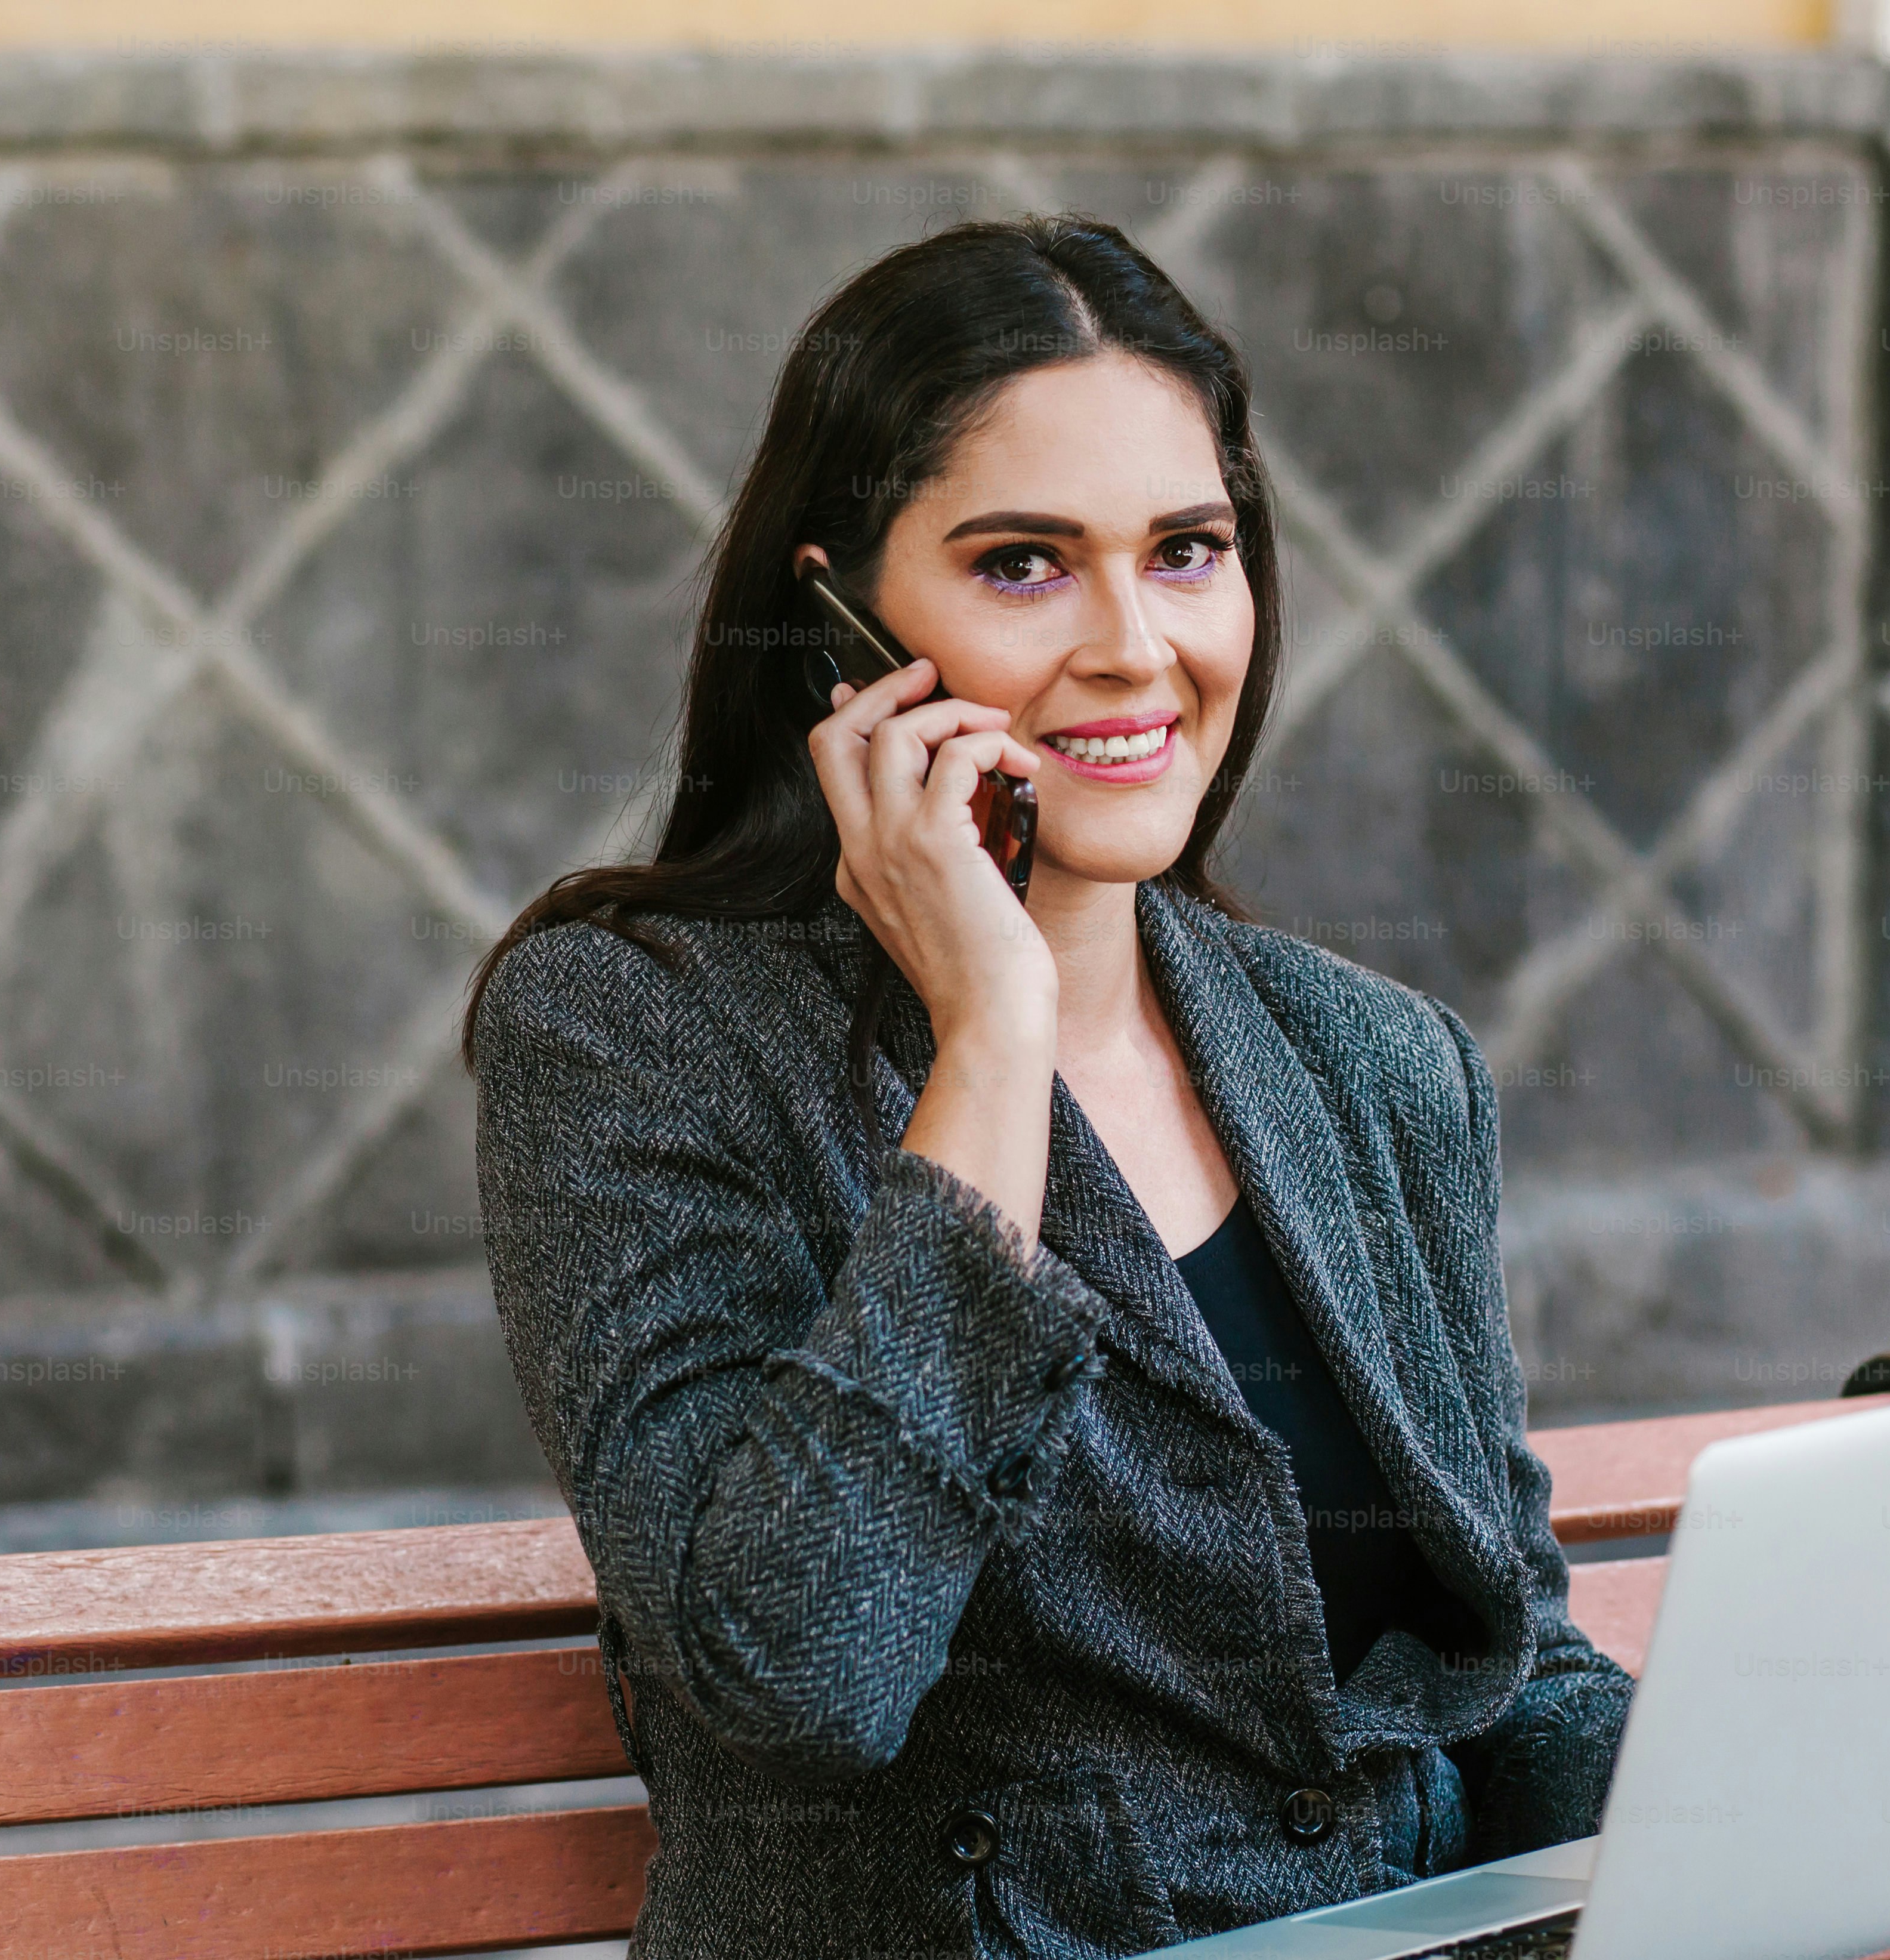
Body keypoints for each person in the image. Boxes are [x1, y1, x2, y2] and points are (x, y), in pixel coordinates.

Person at [464, 214, 1629, 1960]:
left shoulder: (1373, 1063)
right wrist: (993, 1039)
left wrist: (1789, 1823)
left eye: (1186, 550)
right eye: (1023, 564)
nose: (1134, 648)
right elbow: (797, 1674)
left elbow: (1507, 1666)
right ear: (841, 624)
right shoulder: (633, 1034)